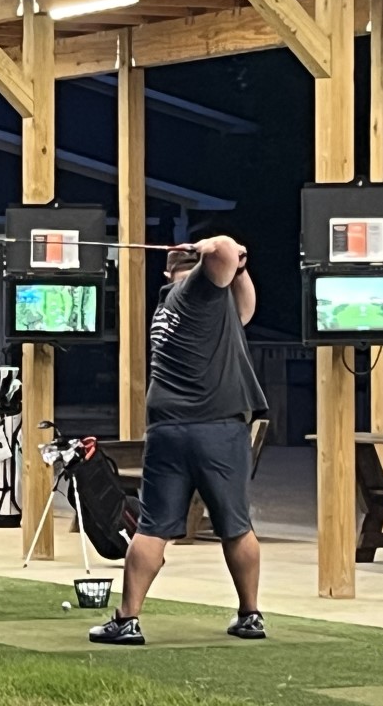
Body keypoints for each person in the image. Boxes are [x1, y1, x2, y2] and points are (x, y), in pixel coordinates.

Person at [90, 236, 267, 645]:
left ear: (167, 271)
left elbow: (244, 311)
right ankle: (250, 614)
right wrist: (218, 246)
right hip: (217, 429)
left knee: (153, 528)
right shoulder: (198, 288)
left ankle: (127, 619)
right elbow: (222, 250)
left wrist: (239, 267)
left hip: (168, 430)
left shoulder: (172, 302)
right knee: (237, 526)